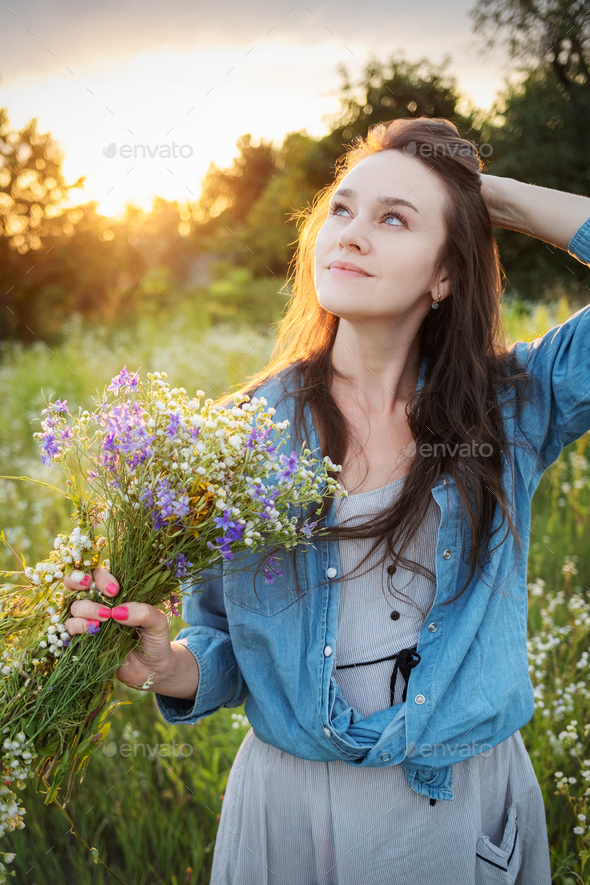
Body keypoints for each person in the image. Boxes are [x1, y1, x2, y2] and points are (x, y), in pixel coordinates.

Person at [64, 117, 590, 884]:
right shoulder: (244, 433)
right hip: (293, 812)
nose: (352, 234)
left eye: (395, 218)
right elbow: (222, 644)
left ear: (446, 275)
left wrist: (498, 200)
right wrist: (170, 667)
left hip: (461, 801)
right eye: (342, 209)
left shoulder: (513, 406)